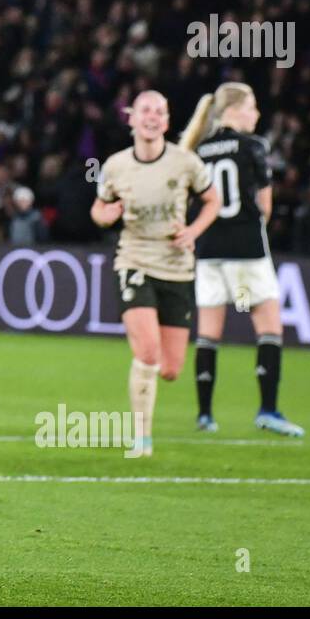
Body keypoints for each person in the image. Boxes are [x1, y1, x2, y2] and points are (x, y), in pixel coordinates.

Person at [91, 90, 220, 457]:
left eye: (159, 112)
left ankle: (145, 401)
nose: (152, 117)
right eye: (145, 110)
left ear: (166, 121)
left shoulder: (185, 163)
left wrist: (193, 232)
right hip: (134, 262)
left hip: (177, 269)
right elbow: (98, 209)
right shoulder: (115, 165)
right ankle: (141, 438)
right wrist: (107, 215)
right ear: (131, 118)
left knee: (170, 369)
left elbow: (214, 201)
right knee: (148, 353)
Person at [181, 83, 303, 437]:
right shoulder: (253, 146)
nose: (257, 114)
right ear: (233, 110)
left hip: (208, 252)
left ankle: (205, 415)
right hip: (246, 251)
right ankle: (268, 410)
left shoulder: (198, 150)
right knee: (267, 326)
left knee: (208, 333)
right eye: (252, 107)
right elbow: (264, 207)